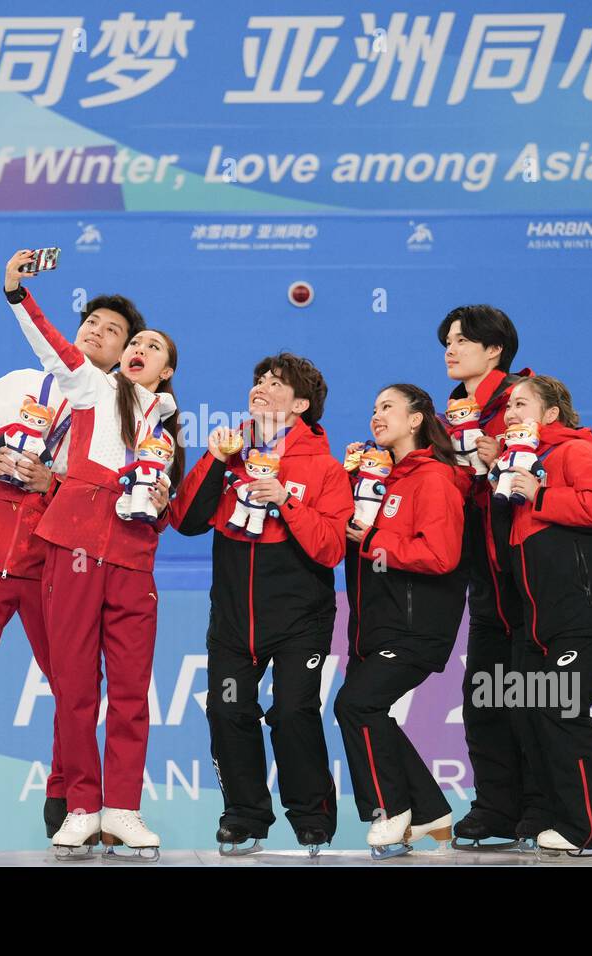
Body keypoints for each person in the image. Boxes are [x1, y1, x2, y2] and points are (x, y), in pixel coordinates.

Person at [0, 291, 142, 853]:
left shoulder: (118, 414)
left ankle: (65, 795)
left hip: (56, 560)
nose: (96, 331)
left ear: (121, 354)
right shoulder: (17, 382)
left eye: (112, 330)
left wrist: (55, 485)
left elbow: (115, 495)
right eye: (91, 321)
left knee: (74, 684)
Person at [4, 249, 185, 861]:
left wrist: (163, 497)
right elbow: (55, 344)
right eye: (138, 342)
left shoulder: (167, 429)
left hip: (134, 562)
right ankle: (82, 808)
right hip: (73, 547)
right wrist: (18, 294)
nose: (140, 348)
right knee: (76, 686)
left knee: (132, 690)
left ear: (165, 370)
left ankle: (123, 811)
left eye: (154, 346)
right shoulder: (91, 385)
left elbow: (175, 511)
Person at [168, 354, 351, 856]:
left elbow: (332, 548)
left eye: (277, 383)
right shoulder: (229, 454)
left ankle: (313, 818)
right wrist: (215, 459)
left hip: (300, 617)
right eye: (259, 380)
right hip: (232, 619)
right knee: (228, 710)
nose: (262, 387)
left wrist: (285, 502)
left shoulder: (327, 469)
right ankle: (244, 815)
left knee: (293, 712)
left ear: (301, 404)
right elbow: (184, 521)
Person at [482, 376, 592, 861]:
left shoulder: (573, 450)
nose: (511, 412)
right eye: (509, 405)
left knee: (560, 709)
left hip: (590, 614)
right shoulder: (519, 467)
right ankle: (558, 819)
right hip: (542, 624)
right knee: (532, 712)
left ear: (551, 414)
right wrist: (499, 476)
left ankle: (589, 830)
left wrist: (537, 492)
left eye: (523, 404)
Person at [336, 385, 472, 859]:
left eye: (388, 407)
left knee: (356, 706)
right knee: (367, 709)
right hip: (382, 624)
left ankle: (390, 811)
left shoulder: (433, 478)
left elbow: (441, 555)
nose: (376, 416)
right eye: (373, 408)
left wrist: (373, 542)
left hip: (417, 626)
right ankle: (430, 810)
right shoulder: (387, 480)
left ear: (417, 420)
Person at [439, 304, 549, 849]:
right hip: (482, 580)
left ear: (494, 351)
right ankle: (495, 807)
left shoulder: (527, 402)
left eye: (462, 341)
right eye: (447, 342)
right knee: (483, 693)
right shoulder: (452, 413)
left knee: (533, 696)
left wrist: (503, 454)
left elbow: (555, 464)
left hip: (527, 578)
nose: (450, 350)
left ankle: (540, 809)